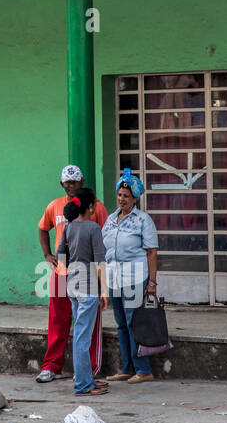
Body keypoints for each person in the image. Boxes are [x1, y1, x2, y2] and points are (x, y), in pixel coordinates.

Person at [36, 163, 109, 383]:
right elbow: (42, 228)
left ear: (82, 182)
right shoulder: (55, 206)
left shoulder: (96, 207)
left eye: (74, 182)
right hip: (61, 272)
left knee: (87, 323)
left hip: (87, 274)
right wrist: (48, 256)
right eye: (67, 182)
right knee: (58, 319)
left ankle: (89, 368)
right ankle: (52, 366)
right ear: (61, 184)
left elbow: (103, 238)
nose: (70, 186)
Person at [102, 169, 160, 384]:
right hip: (114, 278)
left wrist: (152, 282)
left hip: (135, 278)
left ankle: (143, 370)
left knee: (134, 322)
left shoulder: (143, 220)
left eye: (126, 196)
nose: (121, 199)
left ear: (135, 198)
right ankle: (127, 367)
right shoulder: (110, 219)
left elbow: (152, 252)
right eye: (119, 195)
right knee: (121, 324)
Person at [56, 187, 109, 397]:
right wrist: (104, 291)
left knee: (80, 335)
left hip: (72, 285)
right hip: (88, 287)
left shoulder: (69, 227)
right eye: (95, 203)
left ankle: (86, 380)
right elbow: (100, 262)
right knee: (82, 337)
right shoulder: (93, 228)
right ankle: (83, 385)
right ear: (90, 206)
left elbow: (61, 254)